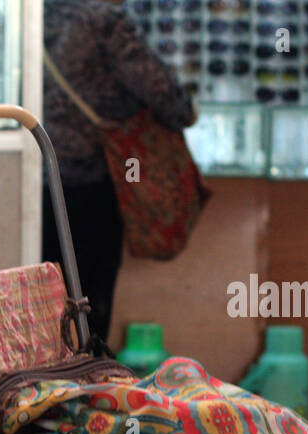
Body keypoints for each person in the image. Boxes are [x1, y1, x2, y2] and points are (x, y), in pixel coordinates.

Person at [40, 0, 196, 344]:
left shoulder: (34, 15)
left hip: (34, 185)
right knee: (88, 304)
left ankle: (45, 390)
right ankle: (82, 386)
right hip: (94, 181)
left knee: (41, 301)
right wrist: (185, 109)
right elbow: (163, 92)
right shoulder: (105, 21)